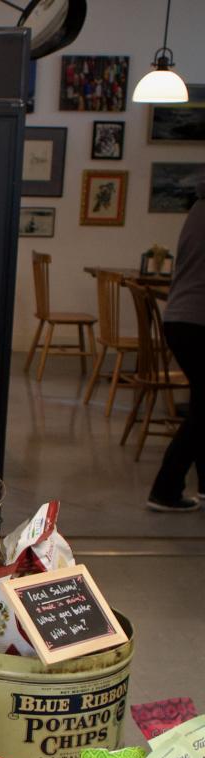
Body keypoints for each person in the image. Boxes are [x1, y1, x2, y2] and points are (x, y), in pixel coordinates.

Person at [148, 176, 205, 512]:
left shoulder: (198, 207)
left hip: (183, 318)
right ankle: (165, 488)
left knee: (203, 405)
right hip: (198, 320)